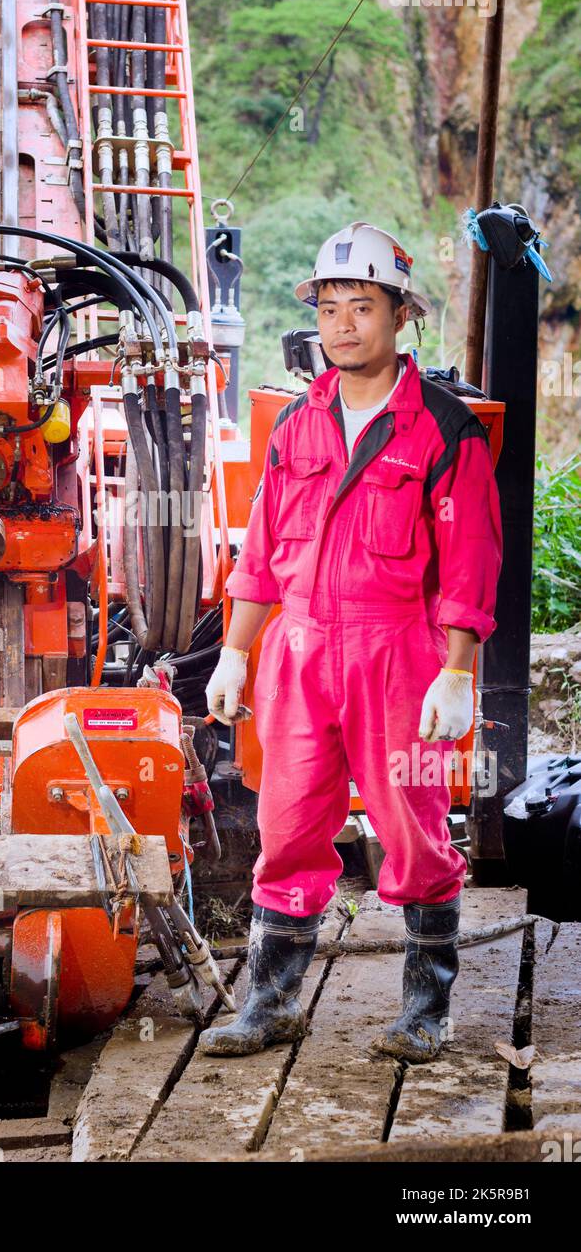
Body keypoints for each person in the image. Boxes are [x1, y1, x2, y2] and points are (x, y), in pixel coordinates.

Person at [201, 221, 503, 1061]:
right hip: (300, 655)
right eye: (329, 308)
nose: (341, 325)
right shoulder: (297, 426)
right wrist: (235, 651)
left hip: (397, 656)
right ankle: (269, 1005)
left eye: (360, 306)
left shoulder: (444, 430)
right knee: (288, 825)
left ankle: (424, 1008)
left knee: (411, 828)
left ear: (399, 314)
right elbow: (261, 554)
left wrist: (456, 672)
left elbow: (471, 562)